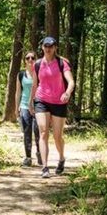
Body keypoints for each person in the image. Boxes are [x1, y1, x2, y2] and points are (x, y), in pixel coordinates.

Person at [32, 36, 74, 178]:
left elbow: (71, 82)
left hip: (59, 102)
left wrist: (67, 92)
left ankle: (61, 159)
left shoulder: (62, 63)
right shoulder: (37, 64)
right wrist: (32, 102)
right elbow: (34, 84)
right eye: (46, 46)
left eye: (51, 46)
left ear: (55, 48)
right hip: (41, 100)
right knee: (43, 132)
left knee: (57, 136)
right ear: (42, 47)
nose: (48, 49)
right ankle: (44, 167)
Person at [16, 52, 40, 166]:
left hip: (38, 106)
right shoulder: (20, 75)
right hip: (24, 106)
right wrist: (17, 108)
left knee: (38, 131)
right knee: (27, 132)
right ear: (25, 60)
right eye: (27, 58)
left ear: (36, 59)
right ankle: (28, 157)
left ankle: (40, 152)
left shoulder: (40, 73)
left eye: (32, 58)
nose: (30, 60)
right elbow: (18, 92)